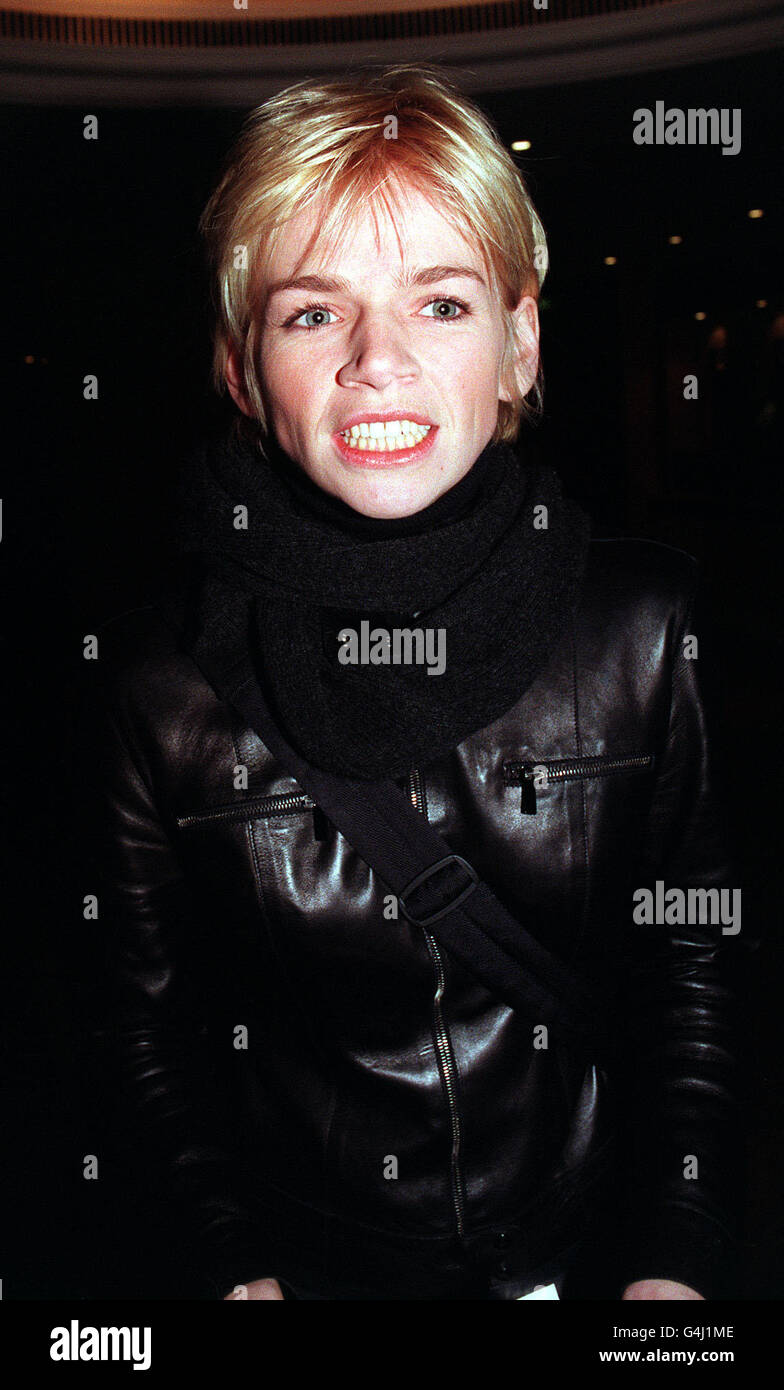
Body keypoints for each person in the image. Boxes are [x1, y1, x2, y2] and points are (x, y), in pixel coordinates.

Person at [88, 65, 741, 1301]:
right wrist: (228, 1267)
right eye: (311, 313)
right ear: (240, 368)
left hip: (584, 1250)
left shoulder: (641, 624)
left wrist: (676, 1260)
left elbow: (692, 963)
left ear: (520, 344)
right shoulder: (159, 683)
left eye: (440, 304)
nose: (377, 361)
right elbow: (141, 1030)